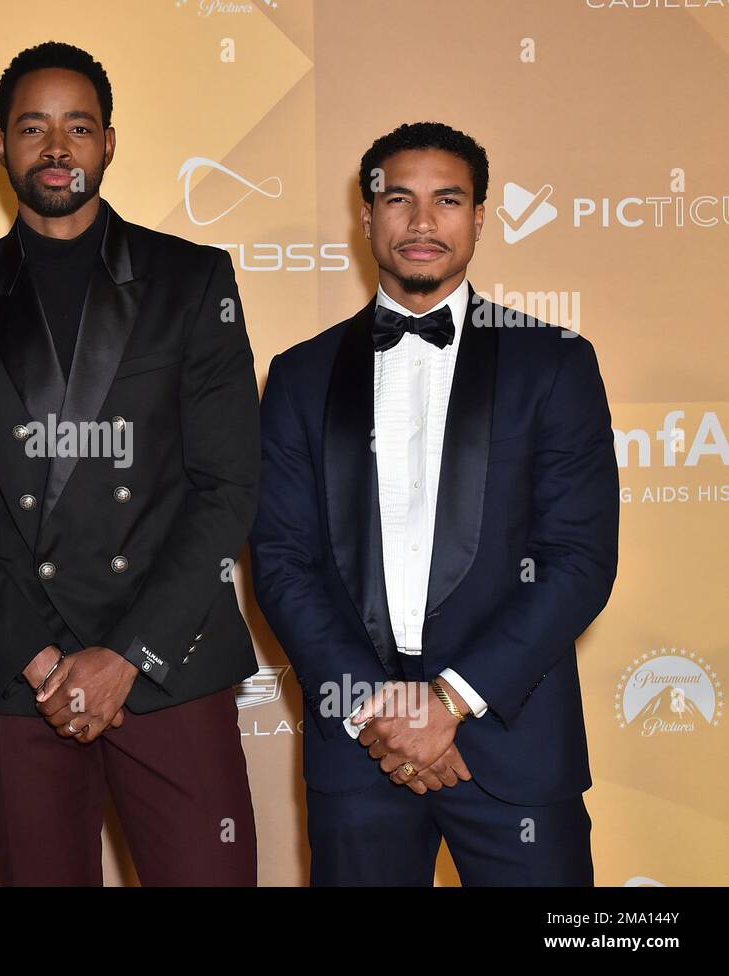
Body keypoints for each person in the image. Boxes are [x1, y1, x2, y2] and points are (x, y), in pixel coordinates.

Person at [0, 42, 260, 885]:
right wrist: (38, 660)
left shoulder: (191, 278)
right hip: (18, 667)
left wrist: (127, 656)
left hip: (170, 660)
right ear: (2, 147)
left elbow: (228, 487)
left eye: (78, 126)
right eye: (33, 127)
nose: (57, 147)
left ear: (108, 143)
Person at [250, 121, 619, 885]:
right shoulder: (299, 375)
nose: (422, 224)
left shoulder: (555, 364)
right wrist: (378, 711)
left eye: (447, 201)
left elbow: (578, 561)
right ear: (367, 216)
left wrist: (450, 702)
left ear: (480, 218)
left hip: (513, 745)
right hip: (359, 749)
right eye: (399, 200)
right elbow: (284, 562)